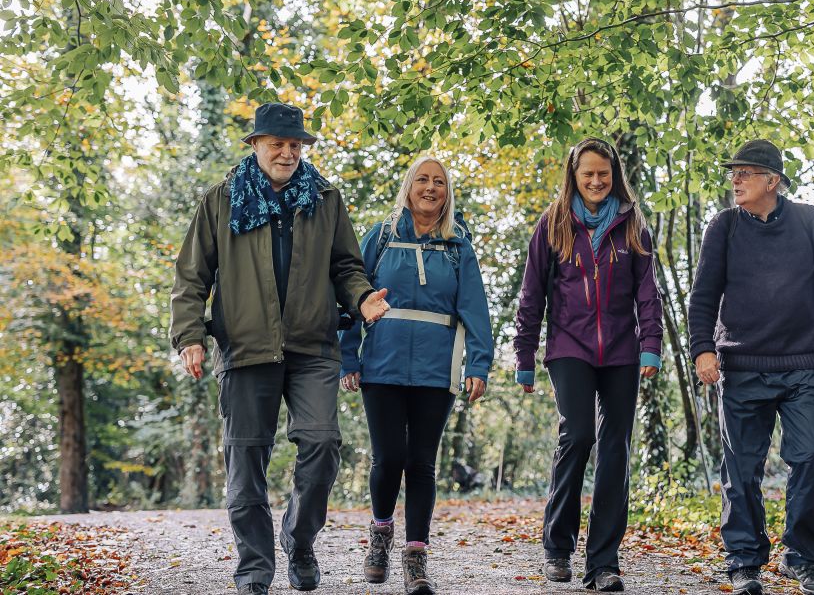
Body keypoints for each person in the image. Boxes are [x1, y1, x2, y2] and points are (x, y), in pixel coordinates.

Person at [170, 103, 390, 595]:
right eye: (278, 144)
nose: (288, 153)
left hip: (313, 346)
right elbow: (191, 278)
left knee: (323, 444)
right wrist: (189, 336)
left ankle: (299, 538)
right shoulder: (221, 201)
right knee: (245, 462)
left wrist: (360, 297)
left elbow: (346, 266)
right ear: (255, 145)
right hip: (246, 348)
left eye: (296, 145)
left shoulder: (326, 199)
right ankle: (253, 569)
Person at [687, 139, 814, 595]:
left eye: (745, 172)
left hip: (802, 366)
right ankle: (744, 560)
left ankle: (801, 559)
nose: (735, 180)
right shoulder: (723, 227)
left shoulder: (808, 220)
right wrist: (702, 349)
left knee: (812, 457)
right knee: (742, 470)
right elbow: (703, 295)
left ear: (773, 180)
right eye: (733, 173)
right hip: (741, 367)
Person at [513, 137, 664, 592]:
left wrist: (651, 345)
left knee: (614, 450)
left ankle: (603, 563)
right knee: (578, 435)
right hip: (569, 347)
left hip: (621, 351)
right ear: (574, 177)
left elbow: (647, 294)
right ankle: (557, 549)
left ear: (614, 175)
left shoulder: (633, 224)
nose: (597, 181)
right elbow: (532, 293)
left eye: (604, 174)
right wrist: (524, 354)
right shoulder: (554, 223)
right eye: (588, 175)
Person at [339, 156, 493, 595]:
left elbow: (475, 310)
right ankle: (381, 533)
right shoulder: (382, 237)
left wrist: (478, 364)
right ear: (408, 187)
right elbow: (353, 294)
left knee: (422, 462)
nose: (430, 188)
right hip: (382, 364)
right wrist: (348, 358)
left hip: (436, 367)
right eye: (422, 180)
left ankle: (416, 557)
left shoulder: (459, 246)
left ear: (448, 193)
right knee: (388, 457)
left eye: (439, 182)